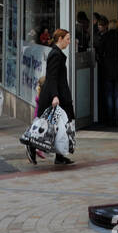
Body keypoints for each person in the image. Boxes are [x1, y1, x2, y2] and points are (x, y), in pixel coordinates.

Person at [27, 28, 75, 167]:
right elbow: (52, 77)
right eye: (67, 38)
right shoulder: (55, 54)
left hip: (60, 94)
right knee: (46, 125)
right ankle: (31, 145)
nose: (69, 41)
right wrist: (55, 96)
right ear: (60, 39)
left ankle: (59, 157)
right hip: (55, 95)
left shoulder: (57, 53)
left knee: (61, 125)